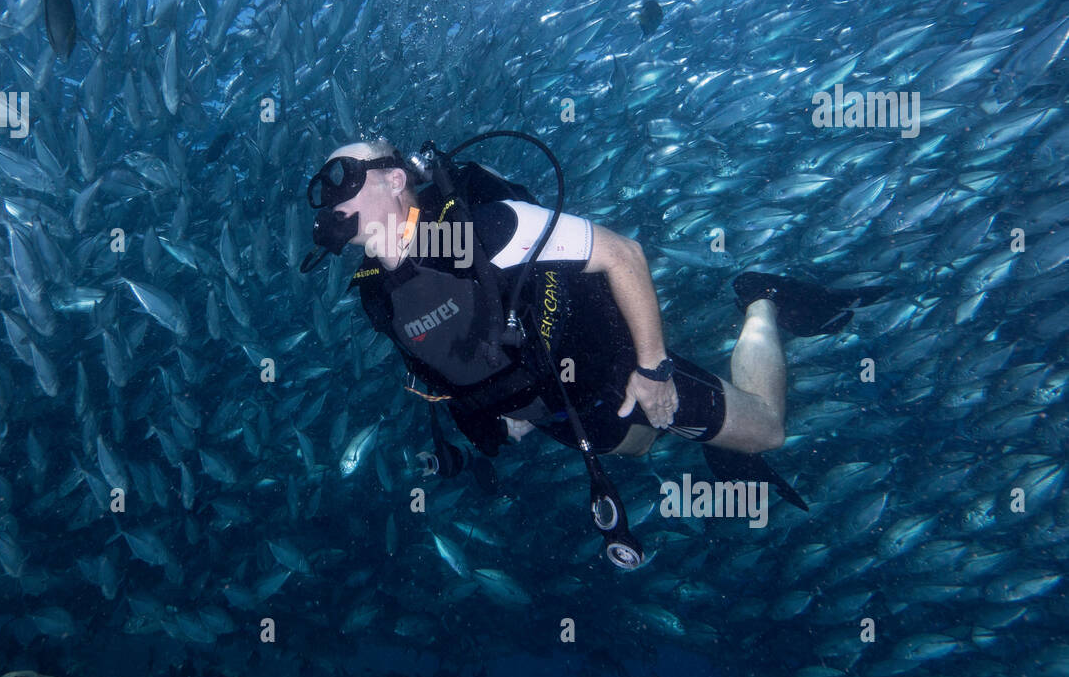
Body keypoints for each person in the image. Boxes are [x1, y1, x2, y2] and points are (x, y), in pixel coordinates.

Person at [306, 138, 883, 487]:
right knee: (640, 446)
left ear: (395, 179)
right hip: (557, 408)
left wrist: (653, 369)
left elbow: (621, 254)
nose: (334, 201)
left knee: (765, 432)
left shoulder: (486, 230)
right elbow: (444, 356)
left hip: (612, 360)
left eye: (346, 182)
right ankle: (698, 425)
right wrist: (502, 411)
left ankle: (760, 301)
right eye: (324, 193)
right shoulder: (375, 292)